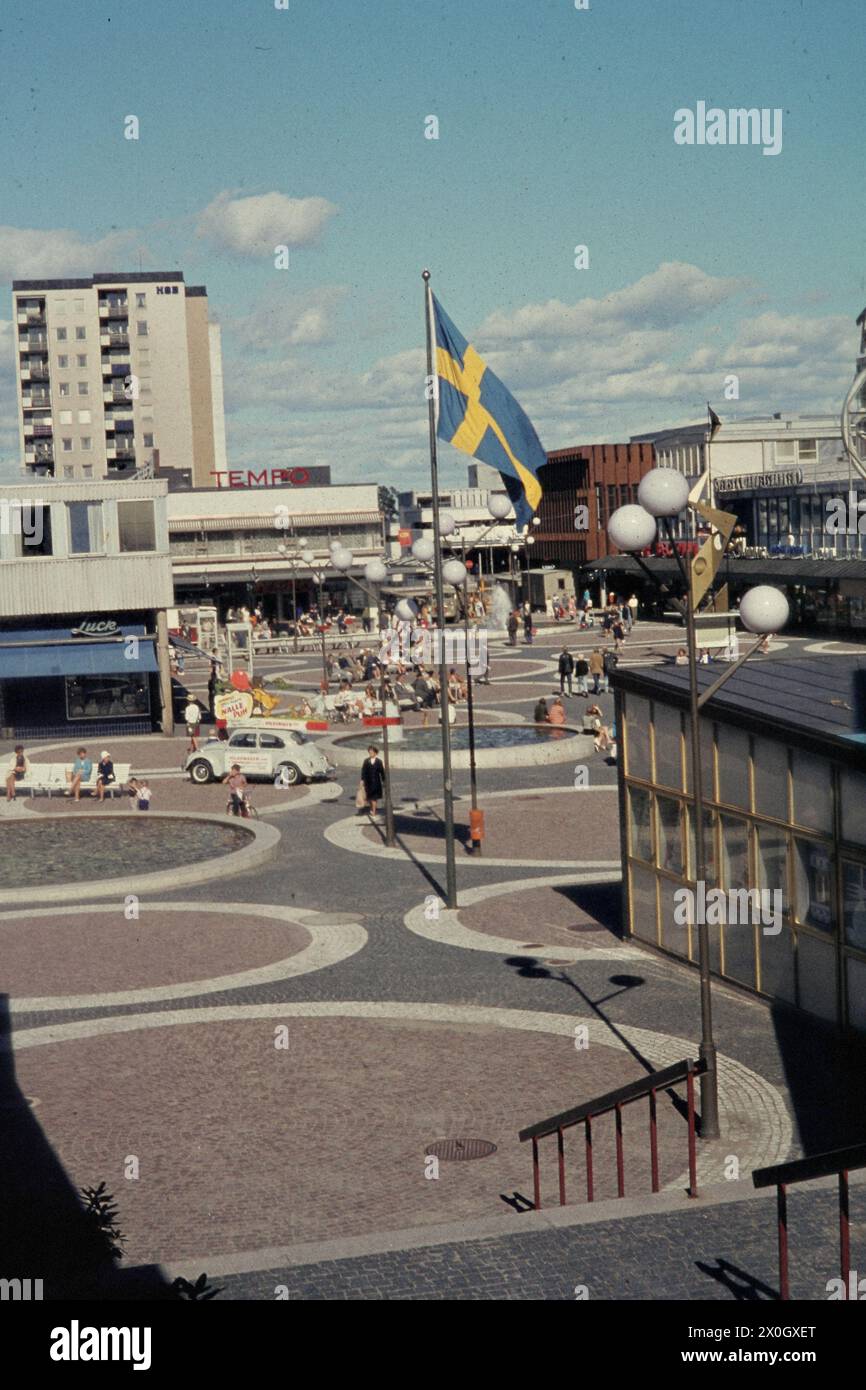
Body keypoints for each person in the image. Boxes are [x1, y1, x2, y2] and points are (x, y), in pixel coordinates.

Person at [361, 744, 385, 821]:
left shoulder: (379, 762)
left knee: (374, 798)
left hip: (376, 782)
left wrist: (384, 781)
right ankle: (372, 808)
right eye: (369, 752)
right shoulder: (366, 761)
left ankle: (374, 812)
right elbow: (363, 771)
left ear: (375, 753)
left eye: (371, 752)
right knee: (369, 798)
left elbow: (382, 772)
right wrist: (362, 780)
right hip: (368, 782)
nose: (370, 753)